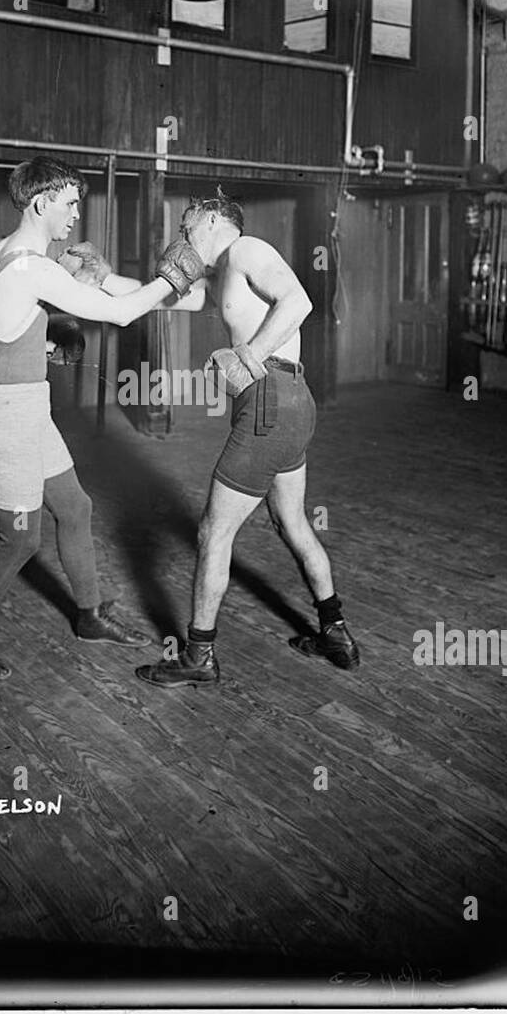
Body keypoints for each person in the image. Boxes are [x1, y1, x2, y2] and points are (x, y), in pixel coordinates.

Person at [66, 186, 359, 688]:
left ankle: (198, 654)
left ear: (211, 218)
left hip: (271, 400)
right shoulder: (226, 273)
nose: (181, 235)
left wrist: (248, 356)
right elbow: (168, 301)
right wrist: (104, 277)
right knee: (292, 522)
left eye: (186, 226)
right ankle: (335, 632)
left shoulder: (247, 250)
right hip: (290, 402)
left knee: (212, 533)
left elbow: (300, 301)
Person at [0, 156, 205, 679]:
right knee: (19, 539)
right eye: (68, 204)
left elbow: (2, 329)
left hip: (25, 408)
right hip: (9, 419)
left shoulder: (0, 254)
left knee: (76, 508)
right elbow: (121, 313)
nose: (74, 216)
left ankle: (88, 615)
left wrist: (44, 339)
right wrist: (172, 277)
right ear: (42, 203)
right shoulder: (29, 266)